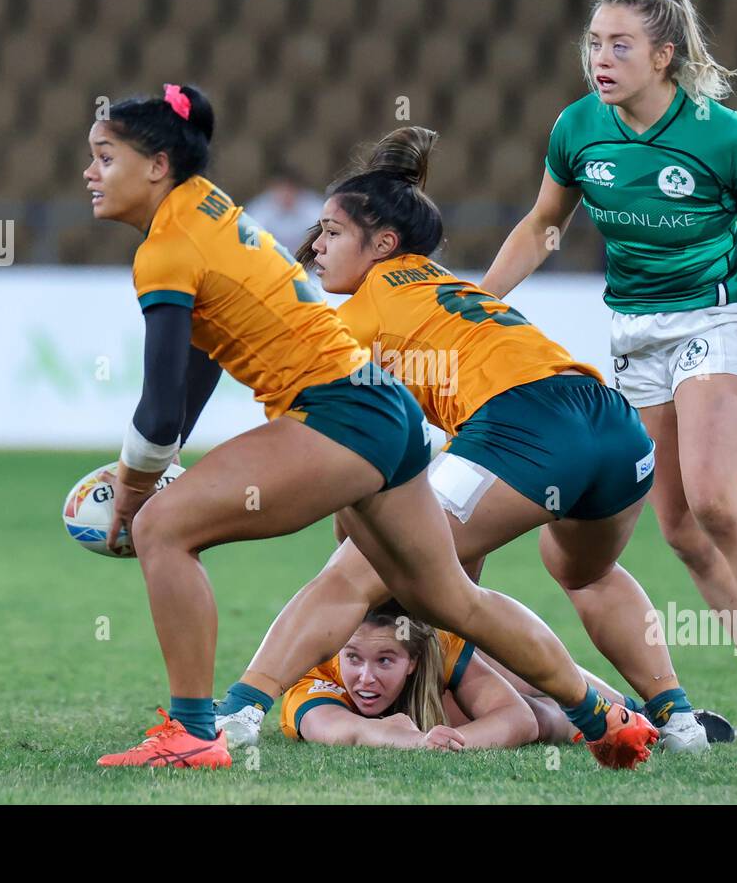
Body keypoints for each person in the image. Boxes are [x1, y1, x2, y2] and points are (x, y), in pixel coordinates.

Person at [82, 83, 658, 770]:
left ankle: (195, 732)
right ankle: (605, 718)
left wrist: (135, 487)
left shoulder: (165, 249)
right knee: (445, 599)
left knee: (162, 529)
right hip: (390, 416)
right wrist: (161, 462)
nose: (90, 172)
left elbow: (158, 408)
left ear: (156, 165)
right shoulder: (208, 214)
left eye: (104, 156)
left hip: (340, 414)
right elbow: (197, 368)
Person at [214, 126, 730, 755]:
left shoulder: (356, 315)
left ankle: (235, 715)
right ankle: (675, 718)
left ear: (381, 243)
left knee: (356, 577)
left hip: (526, 425)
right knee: (583, 573)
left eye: (331, 232)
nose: (316, 245)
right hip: (612, 427)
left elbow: (309, 444)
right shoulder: (434, 285)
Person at [478, 0, 737, 737]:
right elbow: (545, 224)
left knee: (714, 498)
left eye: (620, 46)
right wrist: (484, 298)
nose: (600, 59)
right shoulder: (578, 128)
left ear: (665, 56)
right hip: (635, 332)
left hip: (722, 318)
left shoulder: (726, 135)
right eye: (594, 43)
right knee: (677, 526)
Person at [281, 603, 539, 750]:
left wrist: (450, 743)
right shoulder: (312, 674)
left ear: (412, 661)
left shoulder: (438, 646)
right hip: (428, 706)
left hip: (460, 659)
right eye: (353, 658)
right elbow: (348, 730)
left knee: (544, 713)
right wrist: (418, 741)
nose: (366, 677)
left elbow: (521, 718)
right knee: (456, 715)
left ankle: (574, 692)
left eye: (384, 660)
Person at [242, 164, 325, 255]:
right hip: (270, 262)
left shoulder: (315, 208)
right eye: (281, 188)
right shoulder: (258, 209)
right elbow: (249, 243)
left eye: (290, 188)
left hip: (307, 264)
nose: (286, 193)